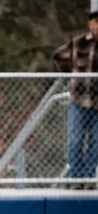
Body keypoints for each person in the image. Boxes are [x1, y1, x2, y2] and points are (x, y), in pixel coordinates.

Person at [53, 11, 98, 186]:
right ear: (90, 24)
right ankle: (76, 178)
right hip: (80, 99)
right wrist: (72, 75)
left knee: (95, 142)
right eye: (96, 22)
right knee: (75, 140)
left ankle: (88, 178)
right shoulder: (79, 42)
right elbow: (58, 55)